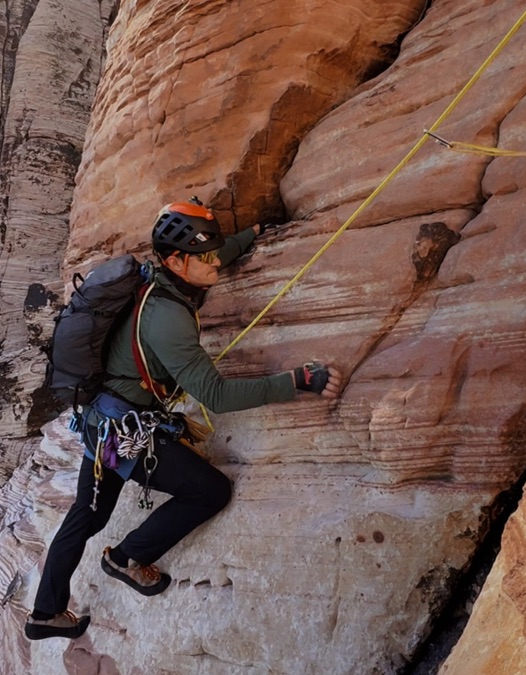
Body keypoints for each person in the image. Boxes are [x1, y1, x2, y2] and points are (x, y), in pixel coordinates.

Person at [25, 201, 343, 640]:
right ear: (176, 261)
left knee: (87, 516)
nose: (215, 261)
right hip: (128, 434)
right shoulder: (169, 318)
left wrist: (250, 234)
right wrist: (297, 380)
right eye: (205, 256)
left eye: (214, 252)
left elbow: (217, 256)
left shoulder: (157, 279)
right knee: (209, 490)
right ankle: (127, 558)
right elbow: (216, 395)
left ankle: (44, 614)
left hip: (104, 423)